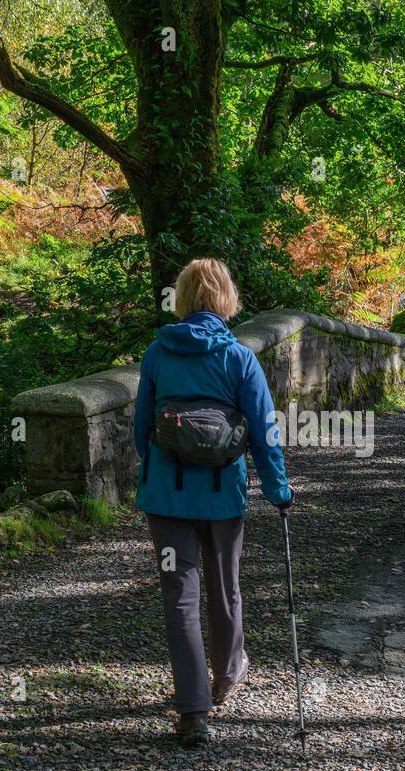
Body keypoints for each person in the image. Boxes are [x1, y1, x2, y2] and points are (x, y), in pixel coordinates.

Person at [133, 258, 293, 746]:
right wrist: (277, 490)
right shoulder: (239, 357)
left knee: (179, 598)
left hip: (168, 496)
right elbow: (265, 432)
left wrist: (159, 473)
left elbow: (142, 431)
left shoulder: (158, 354)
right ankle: (225, 677)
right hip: (223, 495)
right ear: (226, 297)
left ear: (180, 297)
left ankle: (192, 710)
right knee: (225, 588)